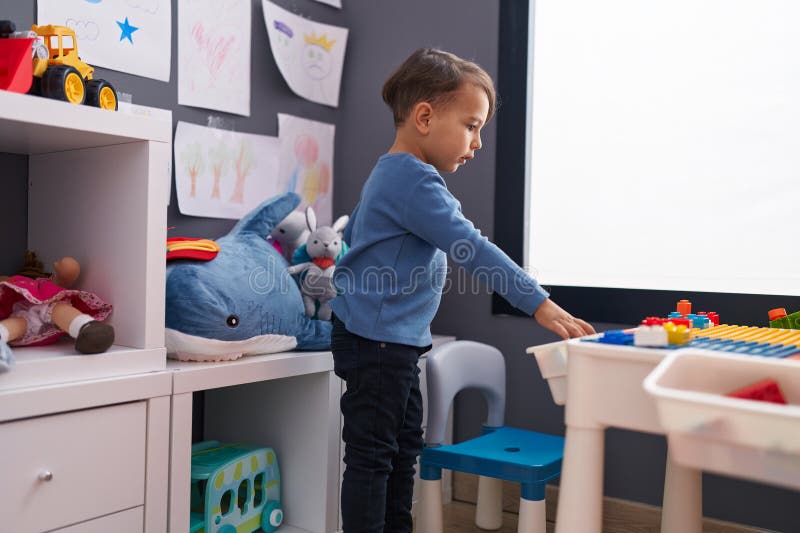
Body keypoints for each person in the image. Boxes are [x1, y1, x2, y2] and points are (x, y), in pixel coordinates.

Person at [328, 47, 595, 532]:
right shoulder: (411, 181)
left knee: (402, 448)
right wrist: (537, 301)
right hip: (379, 343)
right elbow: (470, 246)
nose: (477, 143)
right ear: (425, 117)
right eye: (471, 126)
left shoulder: (399, 175)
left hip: (393, 341)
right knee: (373, 457)